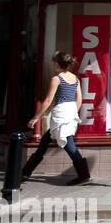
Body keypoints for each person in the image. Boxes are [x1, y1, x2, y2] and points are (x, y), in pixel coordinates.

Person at [23, 50, 91, 185]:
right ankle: (25, 173)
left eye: (53, 61)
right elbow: (79, 100)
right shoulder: (75, 78)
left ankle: (84, 175)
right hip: (70, 112)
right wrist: (72, 113)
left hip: (61, 113)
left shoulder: (56, 78)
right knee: (45, 141)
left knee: (68, 144)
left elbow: (48, 100)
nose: (52, 63)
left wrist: (36, 117)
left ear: (58, 63)